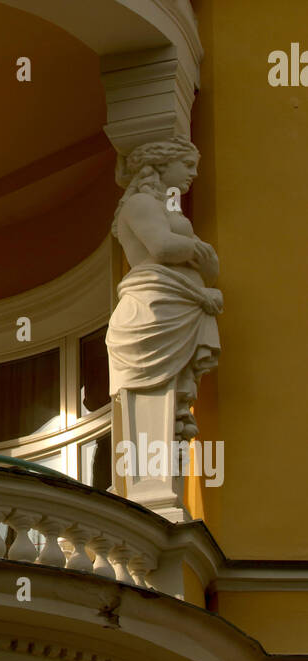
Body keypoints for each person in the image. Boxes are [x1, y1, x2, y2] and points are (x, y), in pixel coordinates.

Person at [107, 137, 222, 439]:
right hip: (156, 307)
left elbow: (201, 266)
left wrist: (201, 260)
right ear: (160, 164)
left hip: (180, 304)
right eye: (186, 165)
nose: (193, 174)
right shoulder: (140, 203)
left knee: (178, 401)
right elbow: (160, 246)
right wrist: (199, 250)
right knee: (155, 403)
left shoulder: (167, 208)